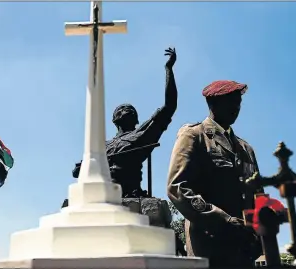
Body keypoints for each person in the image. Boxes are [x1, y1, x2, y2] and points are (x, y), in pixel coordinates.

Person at [167, 80, 264, 267]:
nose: (237, 107)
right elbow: (177, 187)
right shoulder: (194, 135)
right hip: (210, 244)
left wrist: (259, 233)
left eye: (239, 102)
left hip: (245, 247)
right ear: (213, 104)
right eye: (231, 101)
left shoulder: (246, 149)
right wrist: (224, 221)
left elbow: (257, 194)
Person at [73, 47, 178, 198]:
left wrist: (168, 69)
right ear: (114, 120)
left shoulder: (142, 134)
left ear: (136, 119)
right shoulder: (102, 145)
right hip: (101, 195)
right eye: (121, 109)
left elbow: (169, 107)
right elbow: (76, 172)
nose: (126, 110)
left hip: (129, 194)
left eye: (130, 110)